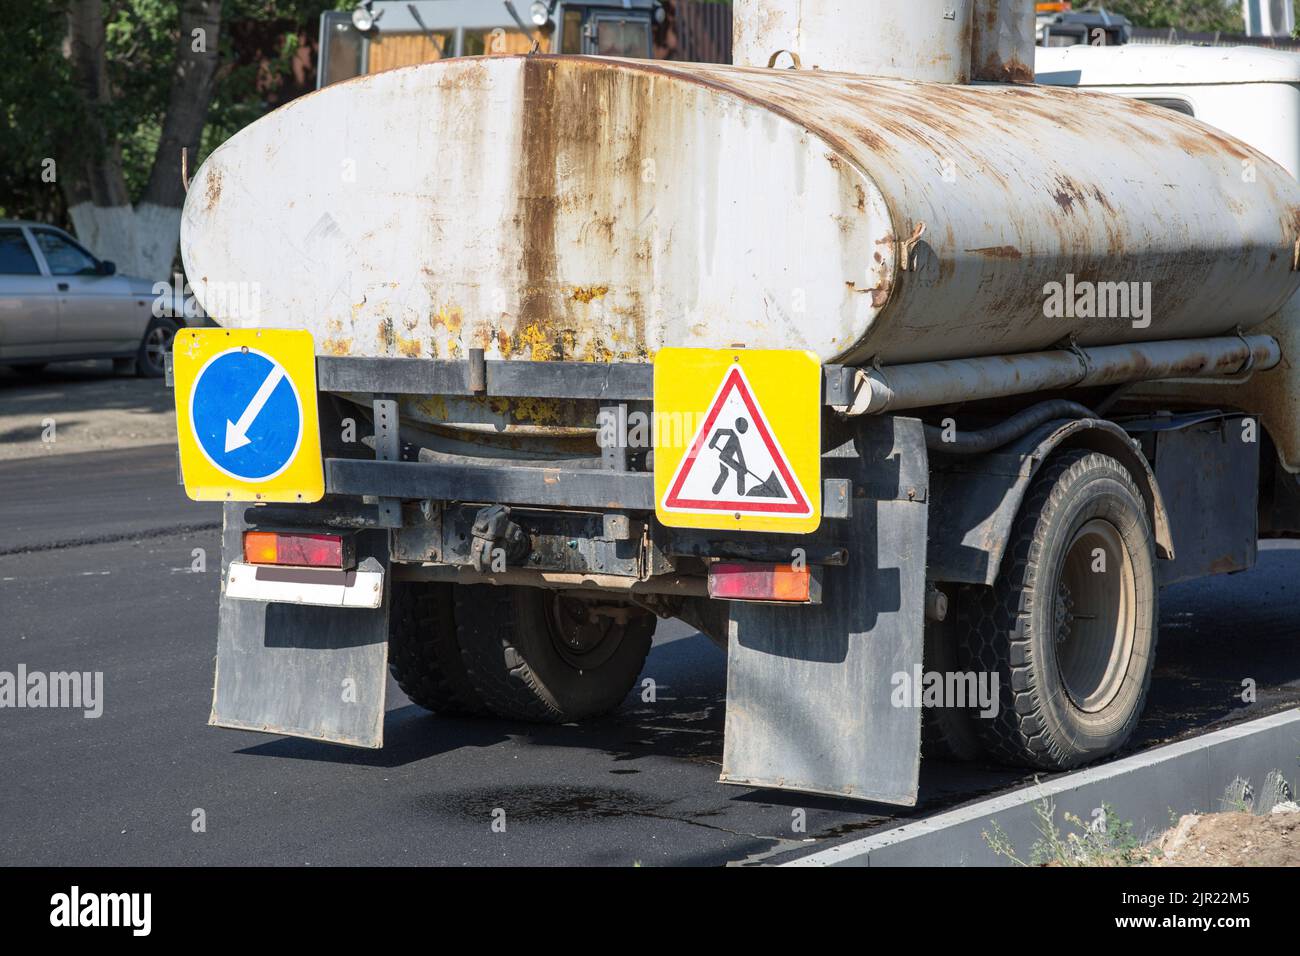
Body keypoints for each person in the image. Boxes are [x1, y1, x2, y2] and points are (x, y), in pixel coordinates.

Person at [709, 417, 749, 496]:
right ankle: (716, 490)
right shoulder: (733, 433)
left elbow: (739, 451)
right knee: (725, 473)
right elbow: (718, 432)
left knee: (738, 471)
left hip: (726, 457)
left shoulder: (736, 438)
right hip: (724, 456)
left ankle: (740, 491)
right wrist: (712, 443)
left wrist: (743, 466)